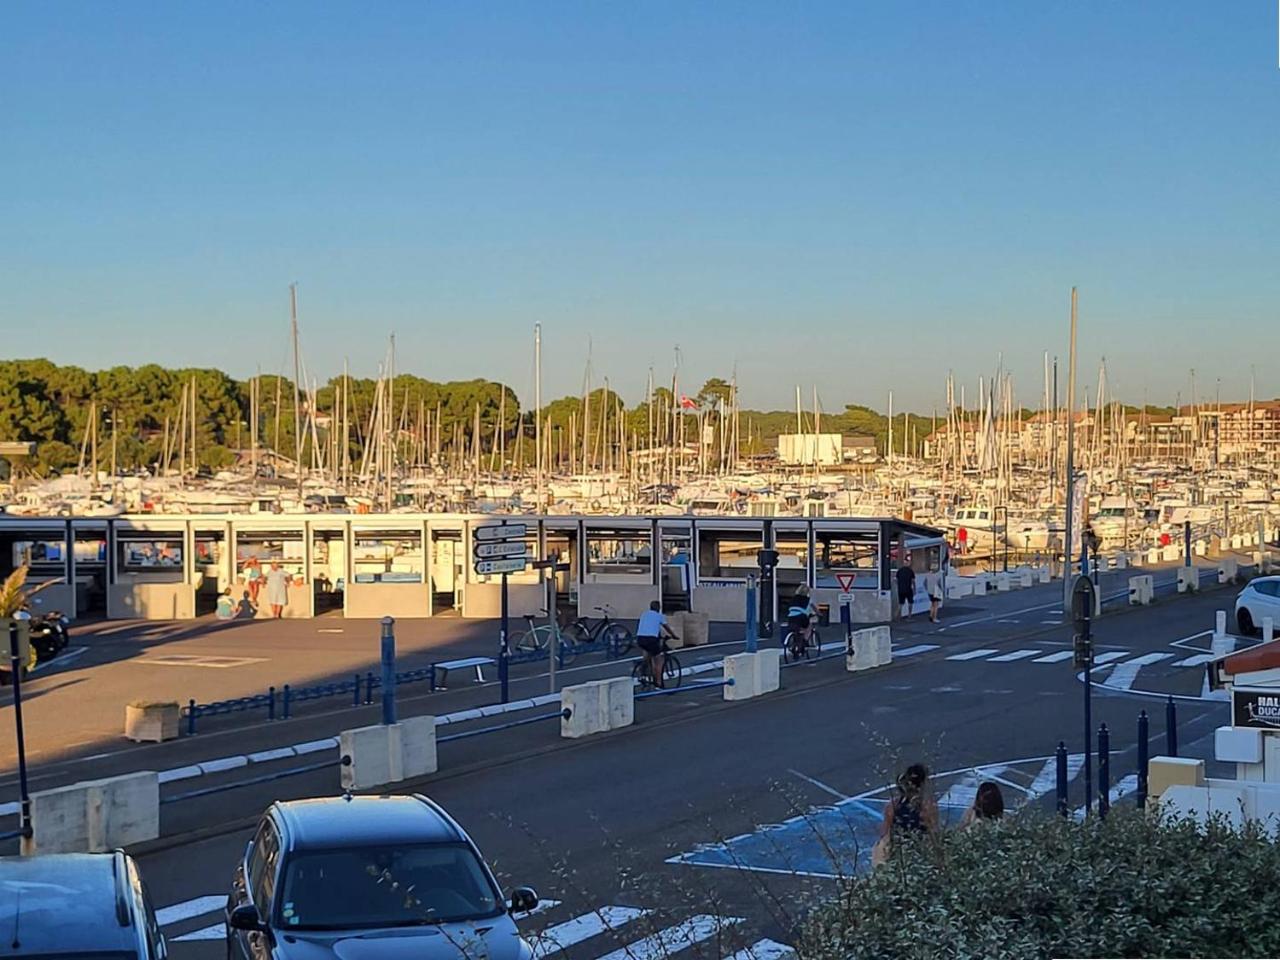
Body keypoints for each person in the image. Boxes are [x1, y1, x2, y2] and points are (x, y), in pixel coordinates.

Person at [873, 763, 939, 865]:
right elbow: (933, 835)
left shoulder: (893, 805)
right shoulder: (928, 807)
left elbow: (885, 834)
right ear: (922, 784)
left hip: (898, 854)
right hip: (919, 856)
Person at [636, 600, 678, 687]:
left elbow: (650, 626)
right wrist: (673, 635)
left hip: (640, 638)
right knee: (659, 660)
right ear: (659, 608)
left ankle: (643, 669)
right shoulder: (660, 616)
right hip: (651, 639)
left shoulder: (644, 614)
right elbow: (666, 627)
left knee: (647, 653)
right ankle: (658, 683)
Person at [786, 583, 818, 654]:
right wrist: (819, 614)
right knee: (809, 625)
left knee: (796, 629)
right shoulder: (808, 599)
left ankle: (794, 644)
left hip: (791, 617)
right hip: (801, 617)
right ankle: (805, 640)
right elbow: (815, 609)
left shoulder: (793, 598)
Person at [896, 555, 916, 620]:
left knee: (900, 603)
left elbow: (896, 580)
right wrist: (914, 589)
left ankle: (898, 616)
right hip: (908, 589)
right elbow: (913, 581)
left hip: (901, 589)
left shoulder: (899, 571)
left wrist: (898, 586)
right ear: (908, 563)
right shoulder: (910, 571)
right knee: (910, 602)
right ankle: (909, 616)